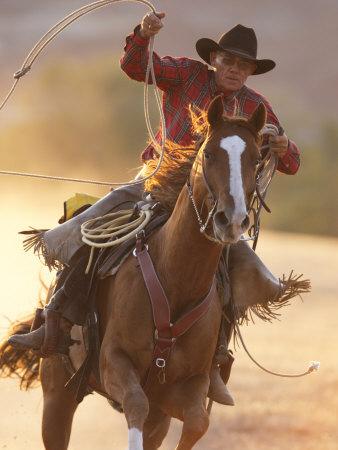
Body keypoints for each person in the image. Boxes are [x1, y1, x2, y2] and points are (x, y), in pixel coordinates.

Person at [9, 13, 301, 407]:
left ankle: (214, 359)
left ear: (251, 71)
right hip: (155, 187)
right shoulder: (185, 75)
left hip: (211, 208)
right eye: (228, 61)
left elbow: (290, 160)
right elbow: (135, 66)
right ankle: (56, 324)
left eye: (243, 65)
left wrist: (282, 146)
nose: (235, 70)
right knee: (88, 231)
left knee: (240, 274)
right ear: (214, 60)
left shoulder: (256, 106)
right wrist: (143, 36)